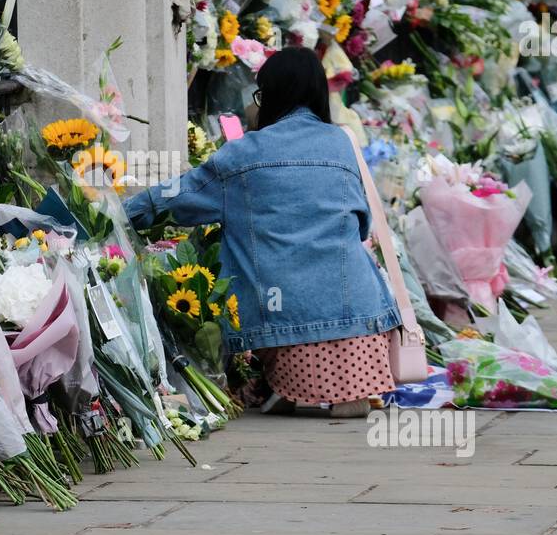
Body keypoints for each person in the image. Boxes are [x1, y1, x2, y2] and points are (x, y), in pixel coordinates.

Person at [125, 47, 400, 417]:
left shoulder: (245, 154)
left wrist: (122, 213)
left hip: (289, 325)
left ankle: (291, 387)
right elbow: (361, 222)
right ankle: (343, 394)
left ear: (271, 96)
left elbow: (180, 195)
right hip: (363, 324)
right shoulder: (340, 143)